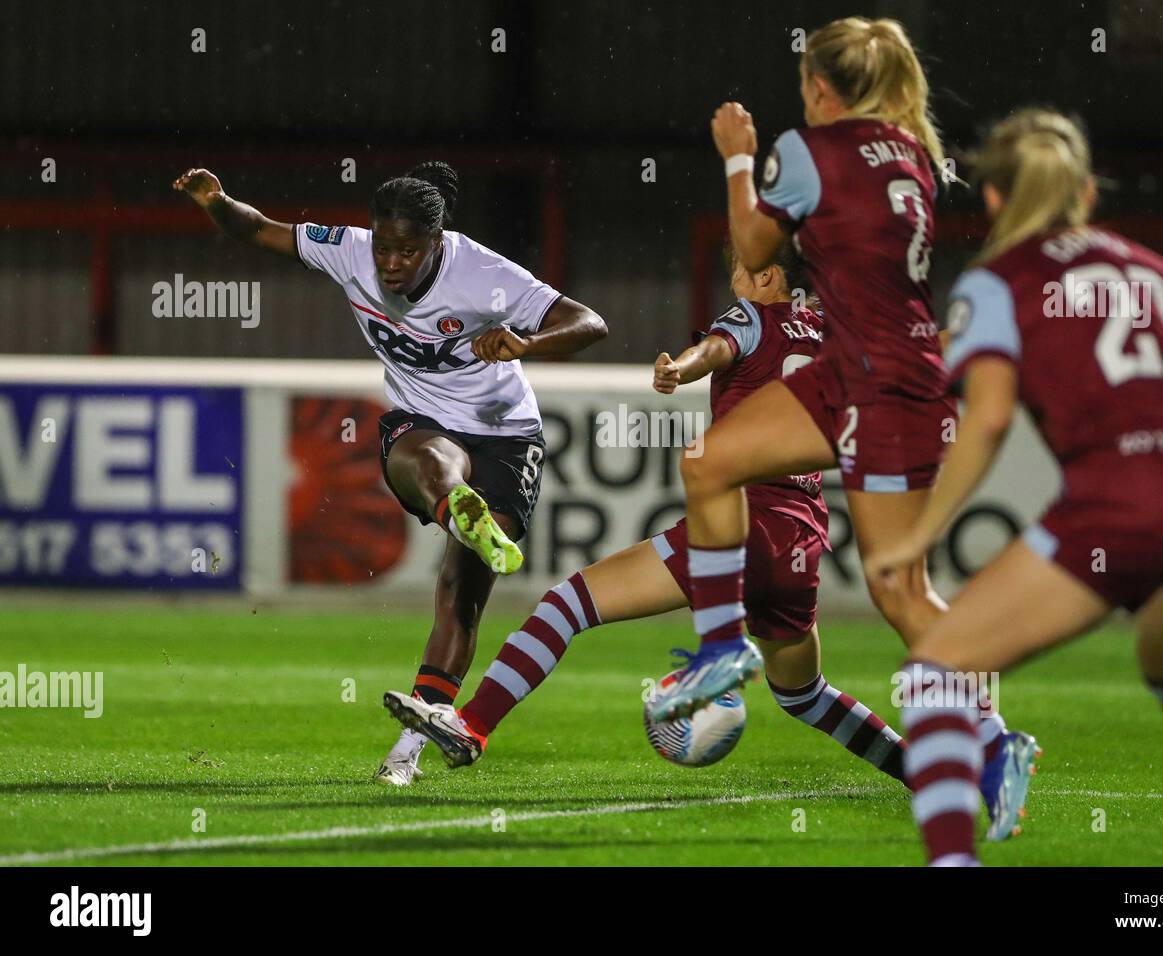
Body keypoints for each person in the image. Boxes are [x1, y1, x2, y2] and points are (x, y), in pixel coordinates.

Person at [867, 108, 1163, 867]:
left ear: (995, 201)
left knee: (935, 675)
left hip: (1130, 494)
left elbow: (988, 418)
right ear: (1086, 195)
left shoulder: (997, 282)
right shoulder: (1156, 270)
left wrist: (918, 535)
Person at [647, 16, 1037, 840]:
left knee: (902, 592)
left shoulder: (807, 150)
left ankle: (998, 741)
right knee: (711, 461)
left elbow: (755, 242)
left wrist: (739, 156)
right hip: (862, 368)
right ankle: (723, 653)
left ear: (820, 87)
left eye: (804, 85)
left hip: (884, 384)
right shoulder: (913, 153)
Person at [385, 244, 910, 784]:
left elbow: (716, 349)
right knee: (805, 695)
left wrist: (676, 371)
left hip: (741, 520)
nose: (732, 278)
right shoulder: (831, 334)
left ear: (769, 276)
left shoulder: (753, 316)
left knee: (568, 606)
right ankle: (926, 773)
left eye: (739, 267)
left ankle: (471, 726)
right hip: (801, 537)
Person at [172, 161, 607, 785]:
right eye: (384, 247)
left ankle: (408, 751)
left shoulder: (482, 272)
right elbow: (261, 230)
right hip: (424, 419)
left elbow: (590, 322)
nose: (391, 263)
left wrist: (526, 344)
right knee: (431, 461)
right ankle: (459, 505)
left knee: (461, 592)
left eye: (408, 251)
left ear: (437, 243)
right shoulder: (349, 252)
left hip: (507, 433)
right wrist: (216, 201)